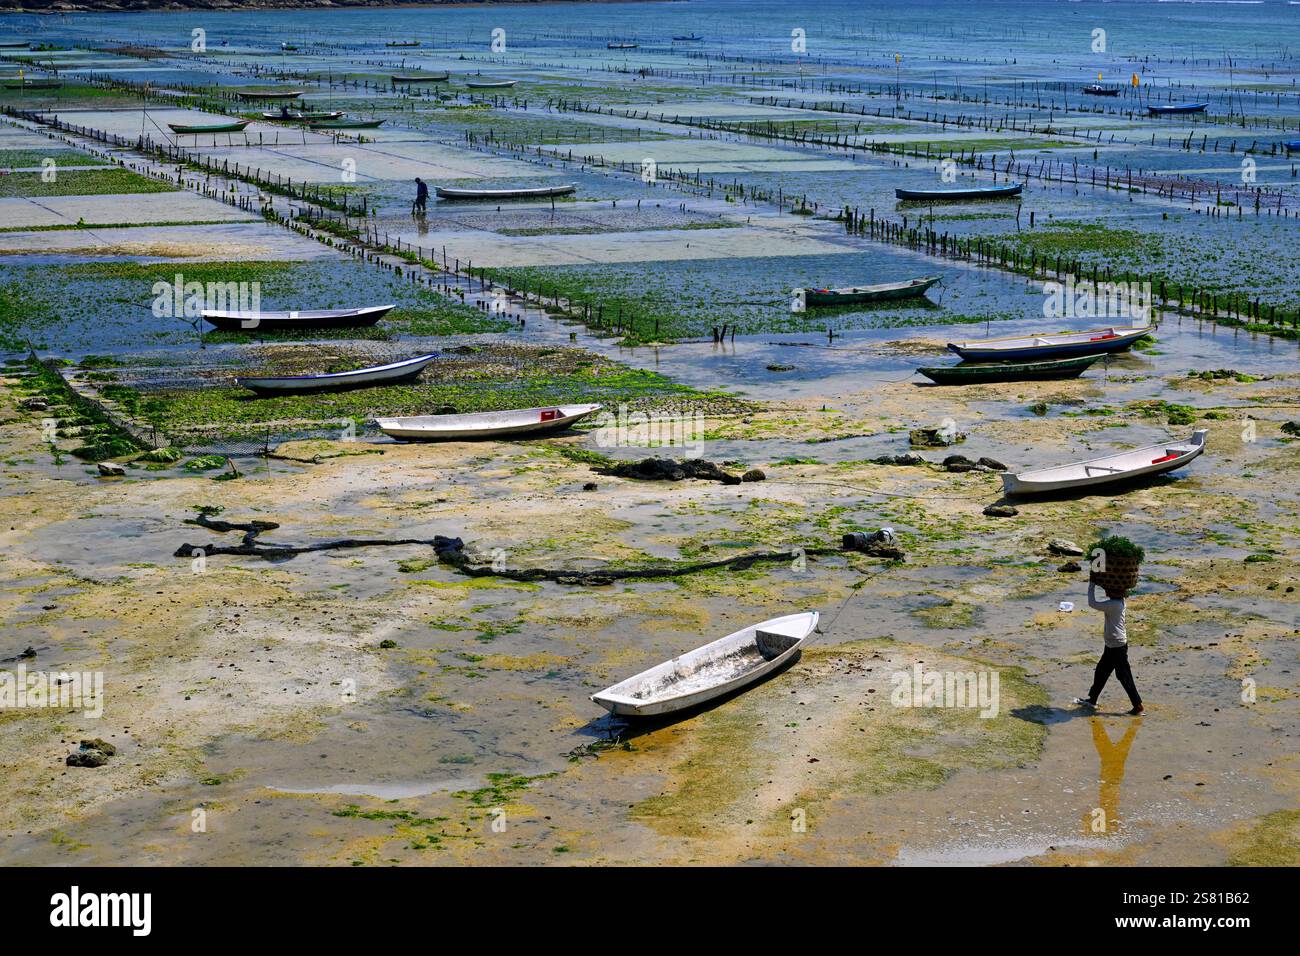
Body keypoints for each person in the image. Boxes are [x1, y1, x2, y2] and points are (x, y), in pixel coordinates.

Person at [1081, 582, 1144, 715]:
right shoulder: (1120, 602)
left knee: (1123, 675)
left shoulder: (1113, 605)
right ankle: (1092, 699)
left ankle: (1137, 705)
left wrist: (1092, 585)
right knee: (1101, 671)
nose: (1106, 592)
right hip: (1113, 644)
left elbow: (1092, 603)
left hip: (1117, 645)